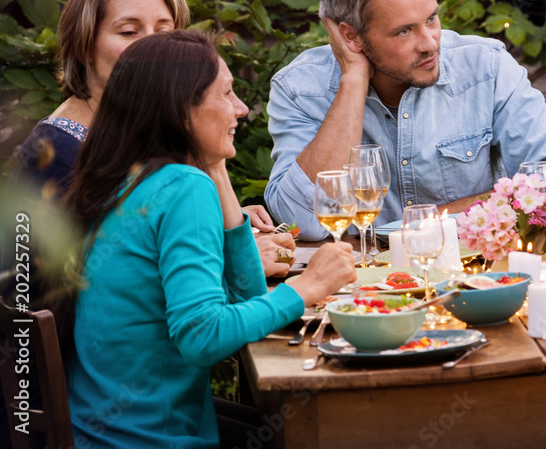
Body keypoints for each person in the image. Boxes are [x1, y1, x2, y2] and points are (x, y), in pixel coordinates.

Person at [63, 30, 358, 448]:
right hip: (151, 438)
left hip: (103, 431)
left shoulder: (127, 180)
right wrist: (306, 287)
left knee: (281, 427)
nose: (240, 109)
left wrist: (218, 173)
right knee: (334, 431)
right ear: (180, 108)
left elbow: (248, 296)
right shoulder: (182, 188)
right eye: (226, 94)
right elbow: (202, 337)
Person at [266, 0, 546, 240]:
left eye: (432, 19)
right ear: (350, 37)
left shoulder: (485, 68)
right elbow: (303, 221)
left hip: (474, 282)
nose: (429, 43)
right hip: (358, 294)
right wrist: (352, 81)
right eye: (404, 31)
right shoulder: (300, 89)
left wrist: (420, 223)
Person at [12, 0, 295, 277]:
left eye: (165, 31)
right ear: (84, 46)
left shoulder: (128, 134)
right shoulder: (58, 159)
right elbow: (102, 288)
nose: (151, 45)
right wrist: (227, 255)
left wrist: (215, 224)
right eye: (129, 31)